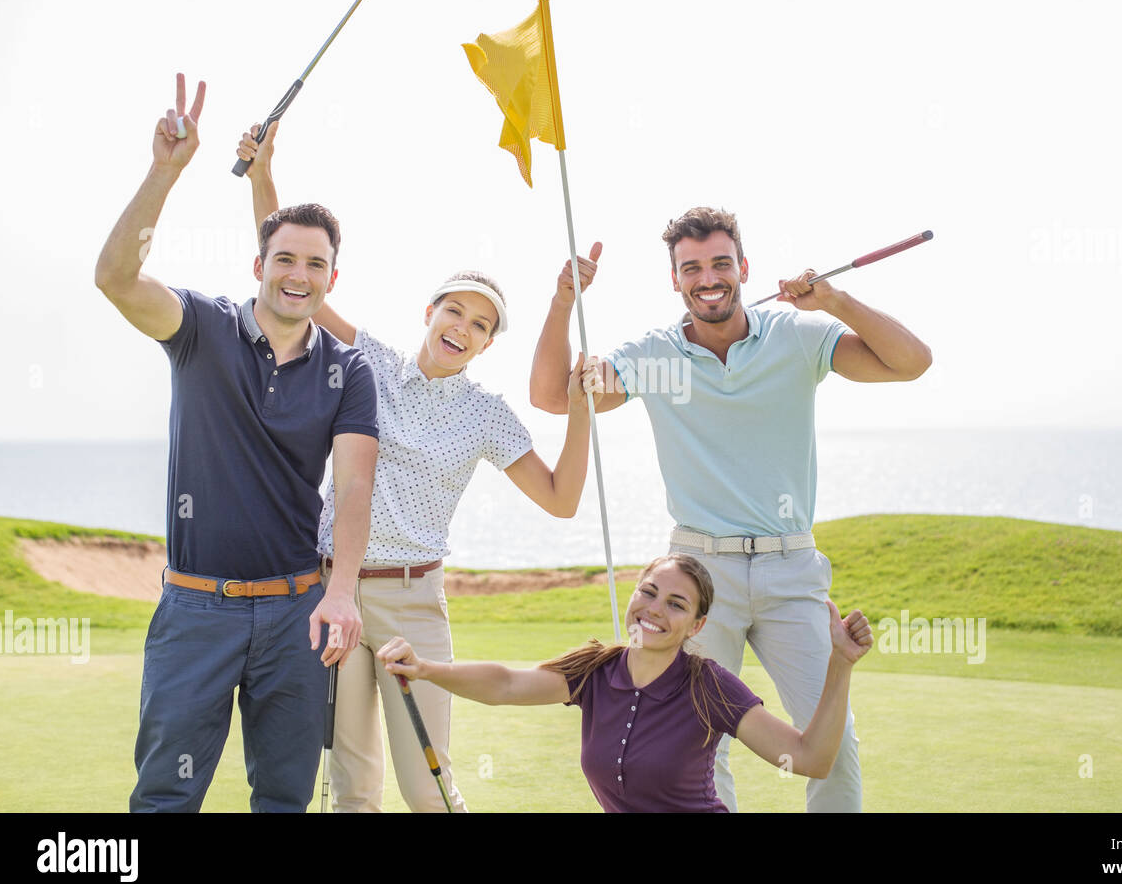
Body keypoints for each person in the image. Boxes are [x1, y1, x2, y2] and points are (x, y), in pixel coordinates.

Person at [235, 121, 598, 812]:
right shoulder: (368, 360)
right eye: (454, 311)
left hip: (414, 605)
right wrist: (262, 179)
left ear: (487, 344)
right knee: (352, 783)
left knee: (427, 782)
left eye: (480, 324)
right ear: (429, 313)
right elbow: (299, 281)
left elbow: (561, 500)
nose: (461, 327)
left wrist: (580, 408)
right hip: (333, 593)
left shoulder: (488, 415)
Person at [529, 206, 932, 812]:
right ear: (675, 280)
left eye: (721, 263)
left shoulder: (796, 337)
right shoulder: (655, 356)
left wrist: (834, 301)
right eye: (691, 268)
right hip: (695, 574)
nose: (708, 277)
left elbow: (913, 362)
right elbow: (552, 396)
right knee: (697, 747)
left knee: (834, 743)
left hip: (791, 569)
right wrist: (565, 300)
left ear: (743, 267)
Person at [97, 74, 379, 812]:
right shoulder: (200, 329)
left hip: (296, 614)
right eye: (285, 259)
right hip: (197, 611)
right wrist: (165, 171)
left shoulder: (348, 370)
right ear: (260, 266)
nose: (299, 274)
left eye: (315, 264)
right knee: (165, 797)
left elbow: (353, 487)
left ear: (331, 277)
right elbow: (116, 278)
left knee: (284, 799)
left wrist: (342, 591)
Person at [377, 553, 874, 812]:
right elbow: (508, 684)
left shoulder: (709, 687)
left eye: (676, 604)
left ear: (696, 626)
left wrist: (841, 665)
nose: (655, 610)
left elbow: (811, 758)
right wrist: (426, 669)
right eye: (649, 592)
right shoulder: (596, 671)